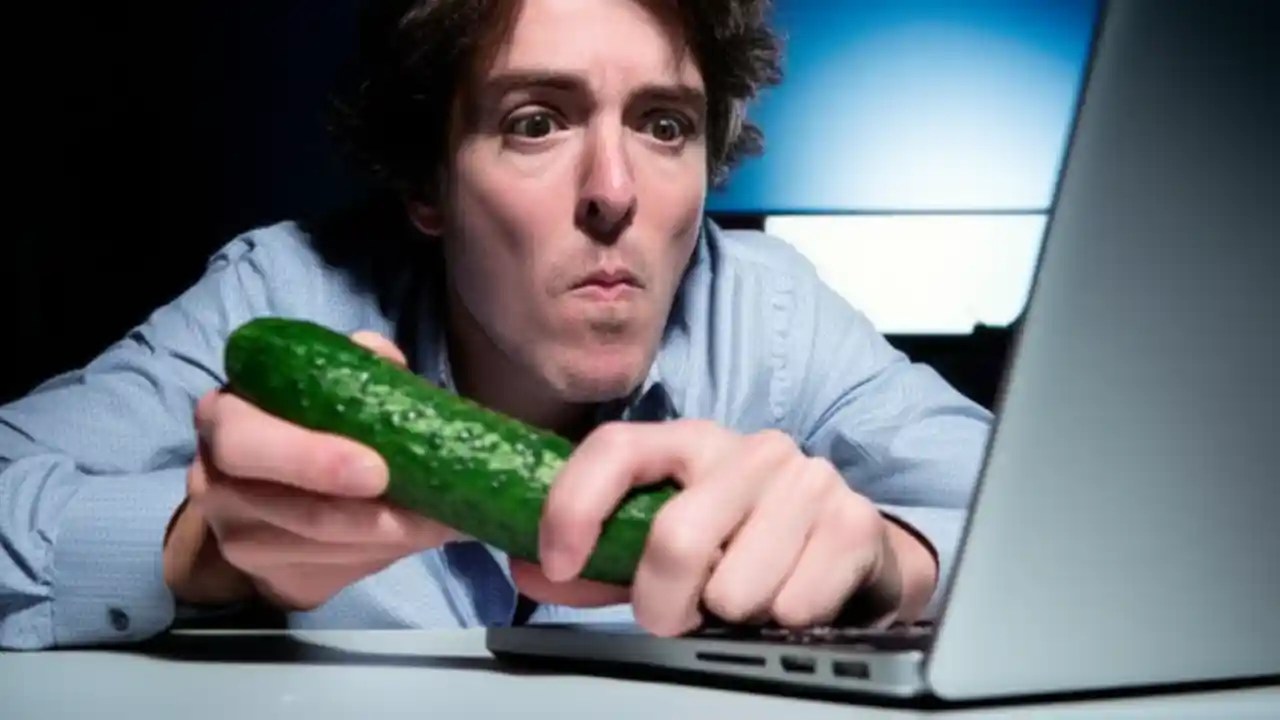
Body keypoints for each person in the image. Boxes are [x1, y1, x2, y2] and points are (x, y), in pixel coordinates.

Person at [0, 0, 992, 651]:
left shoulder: (768, 312)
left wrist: (894, 560)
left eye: (663, 126)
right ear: (428, 185)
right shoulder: (285, 295)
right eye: (535, 122)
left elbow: (1071, 521)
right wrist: (192, 551)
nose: (614, 193)